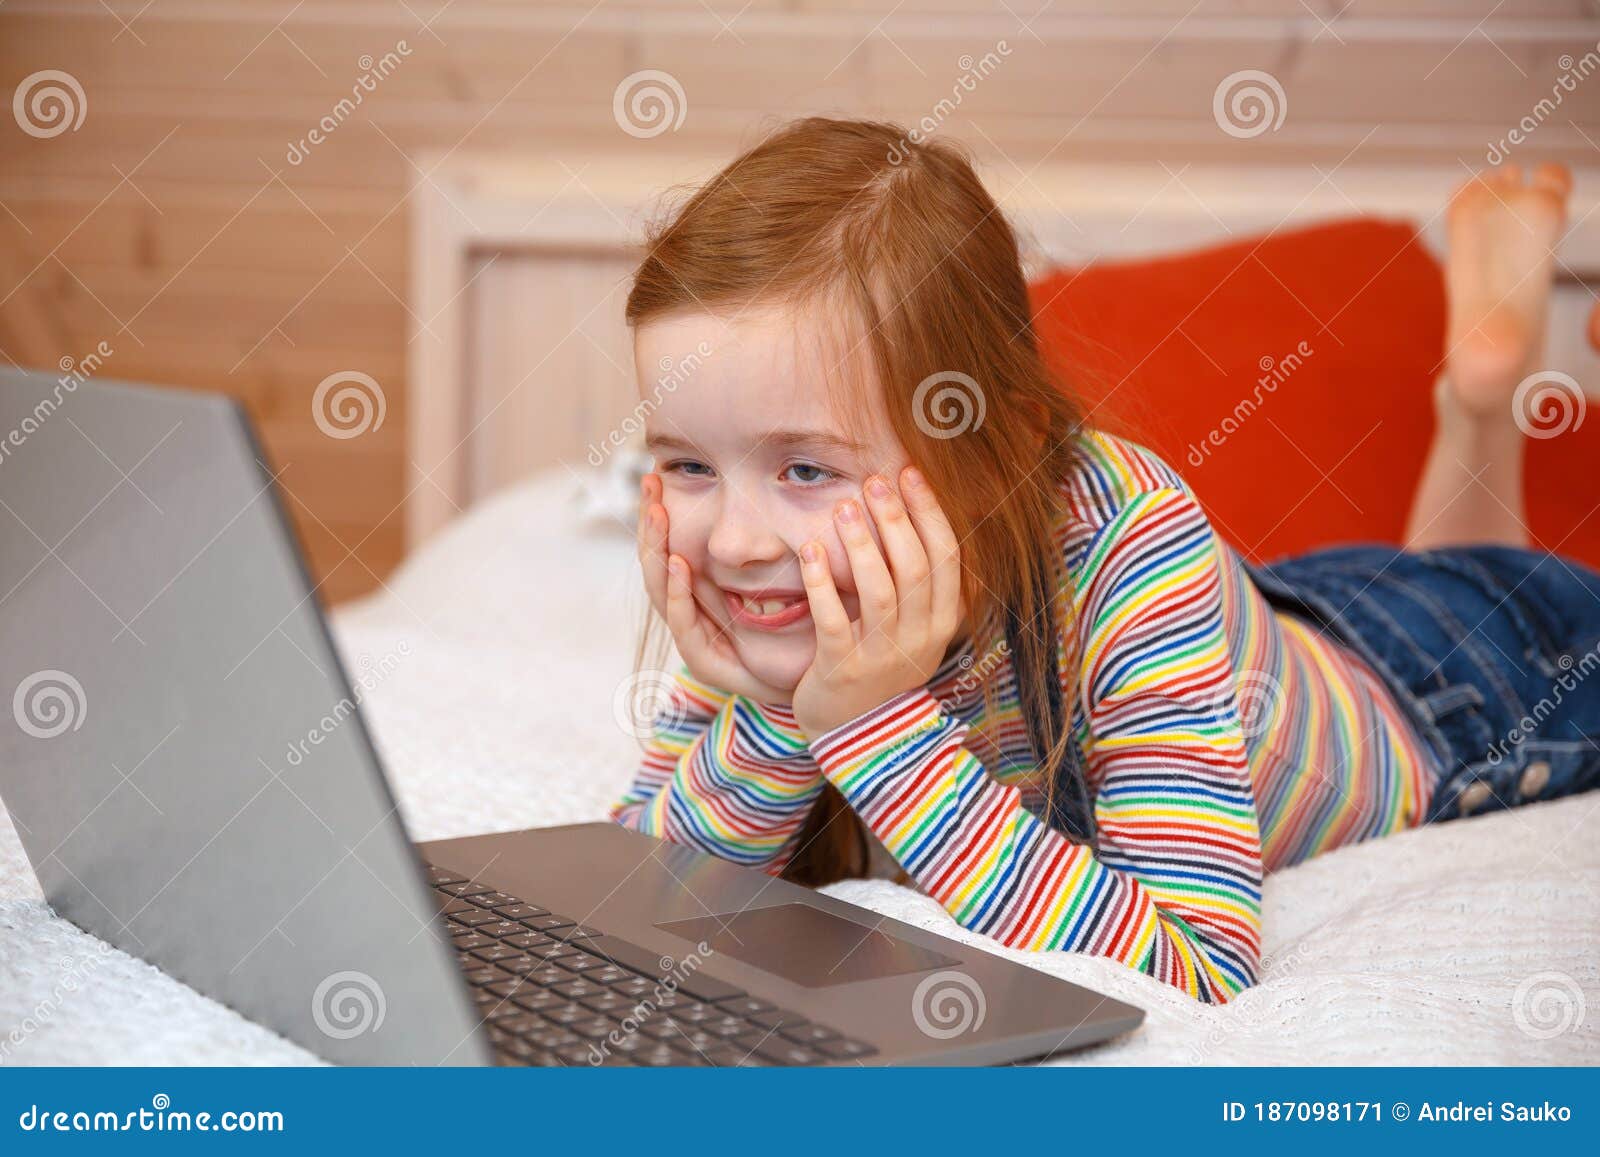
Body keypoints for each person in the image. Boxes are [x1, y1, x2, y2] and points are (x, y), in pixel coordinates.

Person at [608, 116, 1600, 1004]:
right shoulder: (770, 591)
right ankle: (1479, 401)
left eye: (806, 467)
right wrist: (780, 706)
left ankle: (1479, 396)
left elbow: (1198, 967)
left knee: (1479, 586)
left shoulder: (1128, 534)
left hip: (1438, 689)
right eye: (689, 464)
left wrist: (869, 725)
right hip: (1263, 627)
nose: (733, 541)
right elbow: (637, 898)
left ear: (998, 445)